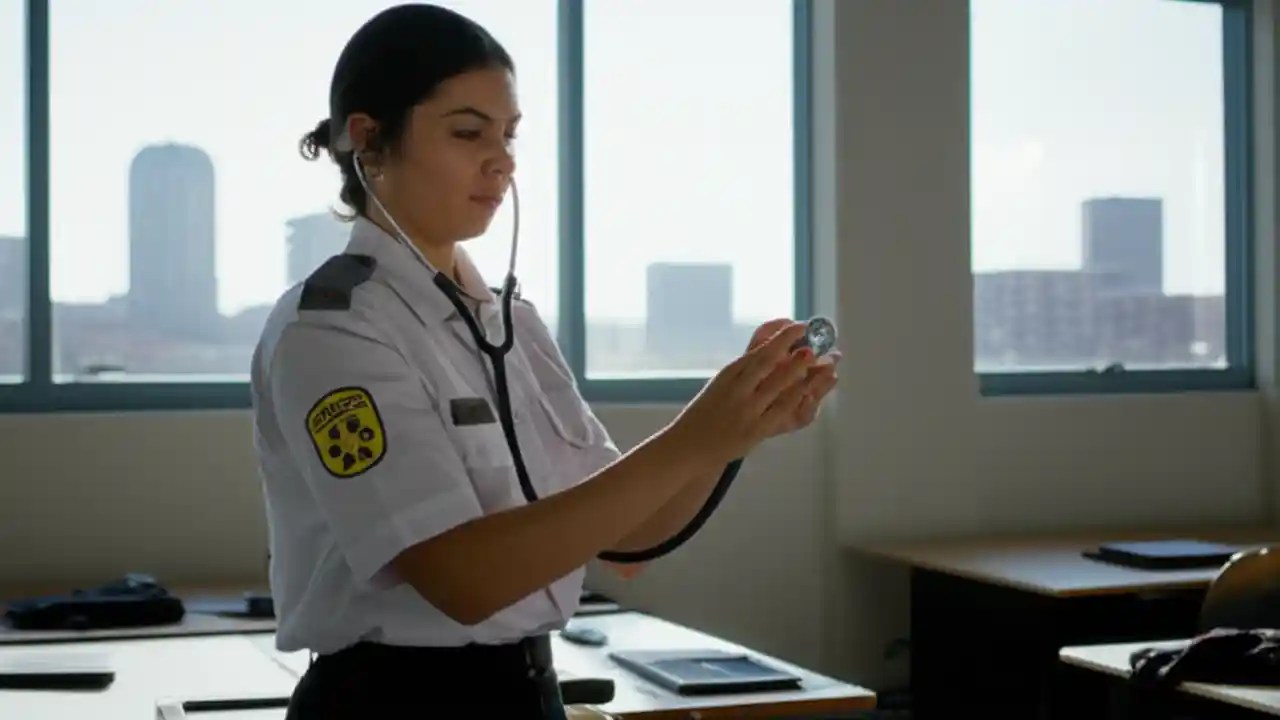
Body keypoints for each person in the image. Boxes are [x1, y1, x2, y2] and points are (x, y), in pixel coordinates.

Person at [249, 3, 841, 718]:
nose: (501, 160)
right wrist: (697, 437)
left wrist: (738, 430)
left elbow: (627, 540)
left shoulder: (511, 324)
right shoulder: (331, 331)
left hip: (526, 693)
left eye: (509, 134)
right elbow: (462, 580)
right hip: (395, 701)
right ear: (369, 140)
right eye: (468, 132)